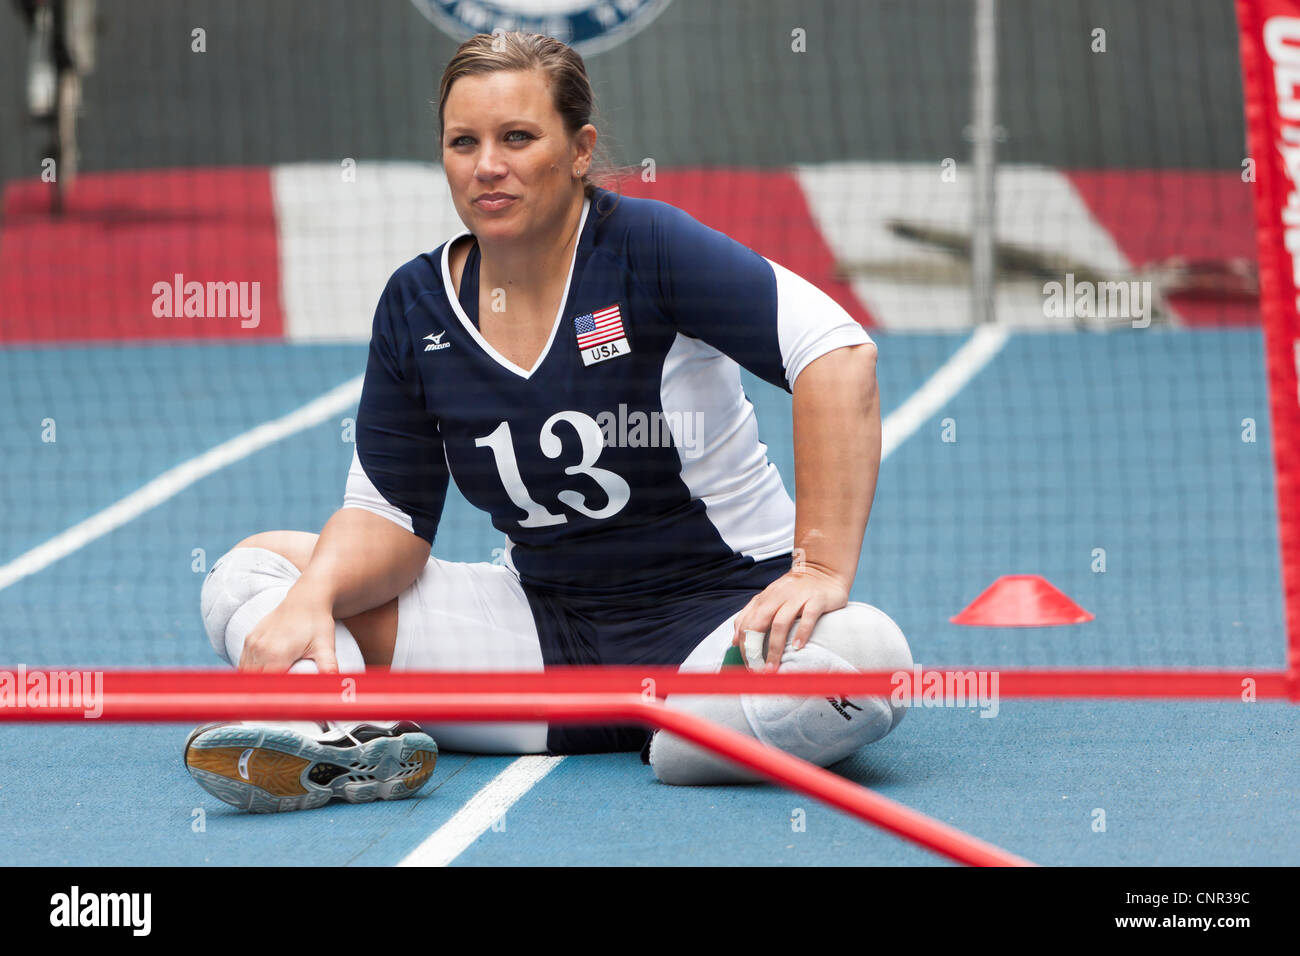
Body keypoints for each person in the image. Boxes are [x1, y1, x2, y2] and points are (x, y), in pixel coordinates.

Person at [186, 31, 912, 813]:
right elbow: (388, 521)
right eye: (463, 142)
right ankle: (349, 737)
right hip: (544, 639)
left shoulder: (648, 249)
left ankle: (695, 723)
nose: (486, 165)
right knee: (254, 574)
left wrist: (819, 569)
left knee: (872, 658)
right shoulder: (415, 302)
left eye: (517, 137)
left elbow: (836, 353)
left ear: (579, 150)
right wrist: (315, 597)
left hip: (726, 618)